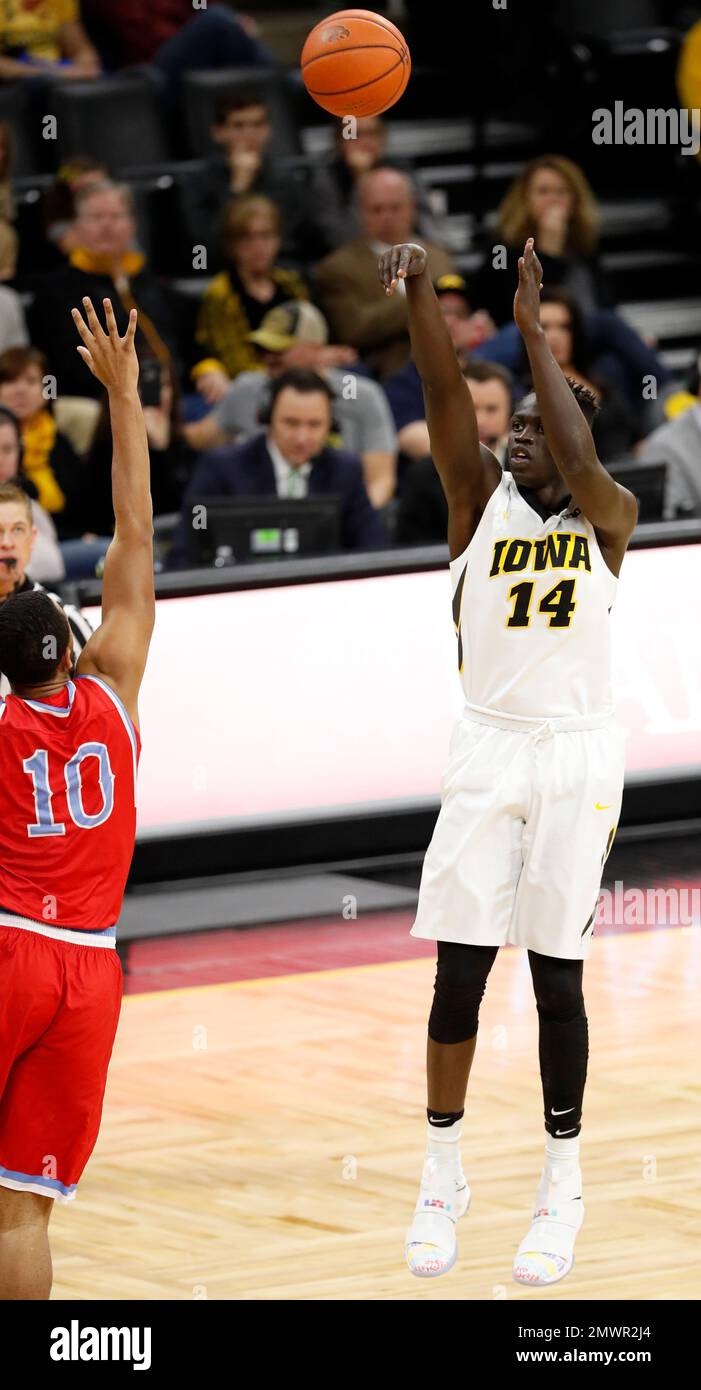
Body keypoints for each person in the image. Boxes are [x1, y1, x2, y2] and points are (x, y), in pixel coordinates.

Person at [378, 237, 638, 1286]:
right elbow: (445, 389)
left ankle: (559, 1182)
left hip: (575, 759)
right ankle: (441, 1171)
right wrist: (417, 299)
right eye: (516, 421)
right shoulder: (469, 504)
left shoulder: (609, 520)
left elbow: (580, 458)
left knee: (555, 982)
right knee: (457, 975)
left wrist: (531, 327)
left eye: (544, 419)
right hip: (486, 747)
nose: (525, 433)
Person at [0, 296, 154, 1299]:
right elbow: (134, 534)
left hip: (9, 940)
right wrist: (127, 397)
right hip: (93, 970)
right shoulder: (115, 685)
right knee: (23, 1206)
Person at [185, 301, 398, 508]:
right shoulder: (247, 389)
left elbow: (381, 481)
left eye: (280, 348)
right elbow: (198, 439)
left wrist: (349, 522)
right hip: (259, 519)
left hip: (337, 522)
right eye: (264, 348)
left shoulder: (362, 395)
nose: (269, 357)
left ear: (316, 347)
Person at [169, 367, 388, 566]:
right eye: (291, 423)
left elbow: (373, 551)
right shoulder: (222, 468)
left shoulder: (346, 471)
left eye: (314, 425)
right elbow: (184, 553)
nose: (302, 438)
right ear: (267, 419)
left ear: (331, 425)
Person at [28, 182, 179, 400]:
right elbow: (64, 364)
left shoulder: (152, 281)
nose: (107, 226)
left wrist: (205, 370)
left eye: (116, 216)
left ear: (132, 225)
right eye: (96, 218)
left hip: (169, 394)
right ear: (77, 227)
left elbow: (184, 344)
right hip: (97, 399)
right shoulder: (56, 289)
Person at [315, 168, 455, 380]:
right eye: (377, 209)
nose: (387, 217)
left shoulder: (438, 256)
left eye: (395, 208)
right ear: (360, 212)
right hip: (390, 371)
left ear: (412, 208)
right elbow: (354, 328)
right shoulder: (337, 267)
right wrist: (422, 299)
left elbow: (457, 304)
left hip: (453, 359)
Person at [193, 195, 307, 392]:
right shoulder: (221, 294)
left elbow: (310, 340)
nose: (257, 246)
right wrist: (291, 368)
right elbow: (237, 366)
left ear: (278, 239)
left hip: (299, 380)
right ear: (232, 245)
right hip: (248, 388)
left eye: (265, 236)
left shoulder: (291, 285)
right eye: (247, 238)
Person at [396, 363, 514, 545]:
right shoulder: (422, 476)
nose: (481, 421)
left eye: (491, 410)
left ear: (509, 416)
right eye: (472, 409)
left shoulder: (529, 472)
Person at [522, 288, 643, 462]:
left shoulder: (602, 379)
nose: (556, 336)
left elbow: (636, 436)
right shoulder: (526, 393)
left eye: (565, 327)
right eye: (545, 327)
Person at [0, 347, 87, 539]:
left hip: (67, 539)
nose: (20, 390)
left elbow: (84, 503)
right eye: (10, 381)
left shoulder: (59, 442)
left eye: (31, 381)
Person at [0, 410, 66, 587]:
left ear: (20, 453)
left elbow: (53, 565)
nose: (0, 460)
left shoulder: (28, 502)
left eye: (7, 450)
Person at [0, 0, 100, 81]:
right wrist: (52, 73)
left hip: (56, 82)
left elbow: (82, 51)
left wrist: (85, 67)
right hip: (14, 86)